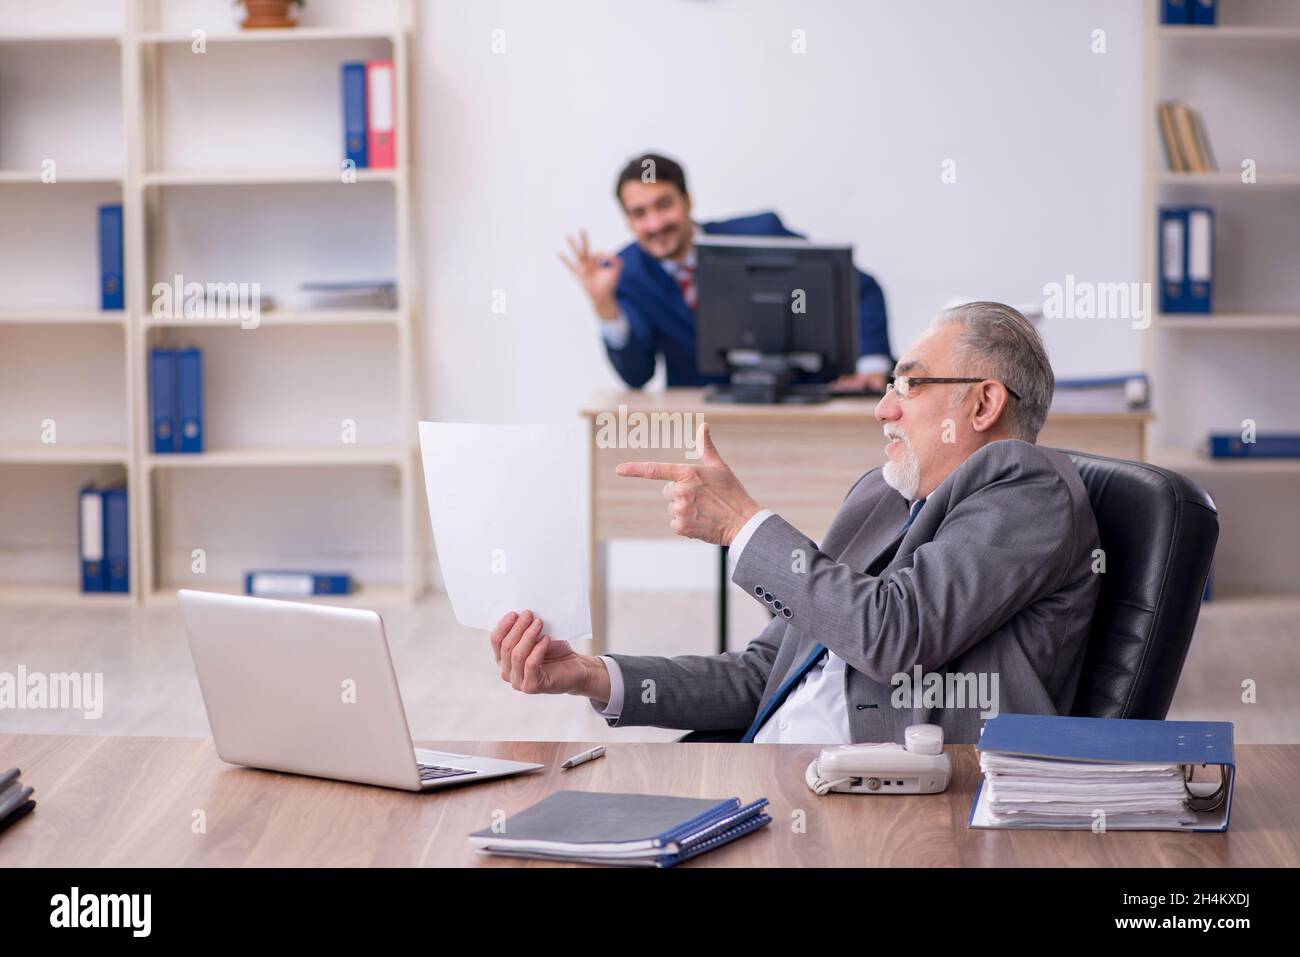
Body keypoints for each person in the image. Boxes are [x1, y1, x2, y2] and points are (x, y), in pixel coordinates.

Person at [488, 302, 1100, 745]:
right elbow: (766, 672)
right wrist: (592, 676)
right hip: (772, 768)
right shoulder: (878, 497)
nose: (883, 409)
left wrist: (743, 526)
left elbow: (896, 635)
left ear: (984, 403)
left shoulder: (1029, 486)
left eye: (908, 384)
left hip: (895, 800)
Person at [560, 152, 893, 391]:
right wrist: (605, 308)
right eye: (639, 213)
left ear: (688, 201)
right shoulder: (625, 274)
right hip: (707, 423)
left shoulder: (761, 232)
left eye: (664, 205)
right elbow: (637, 376)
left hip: (801, 401)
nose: (655, 224)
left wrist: (871, 369)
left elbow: (858, 288)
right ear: (628, 221)